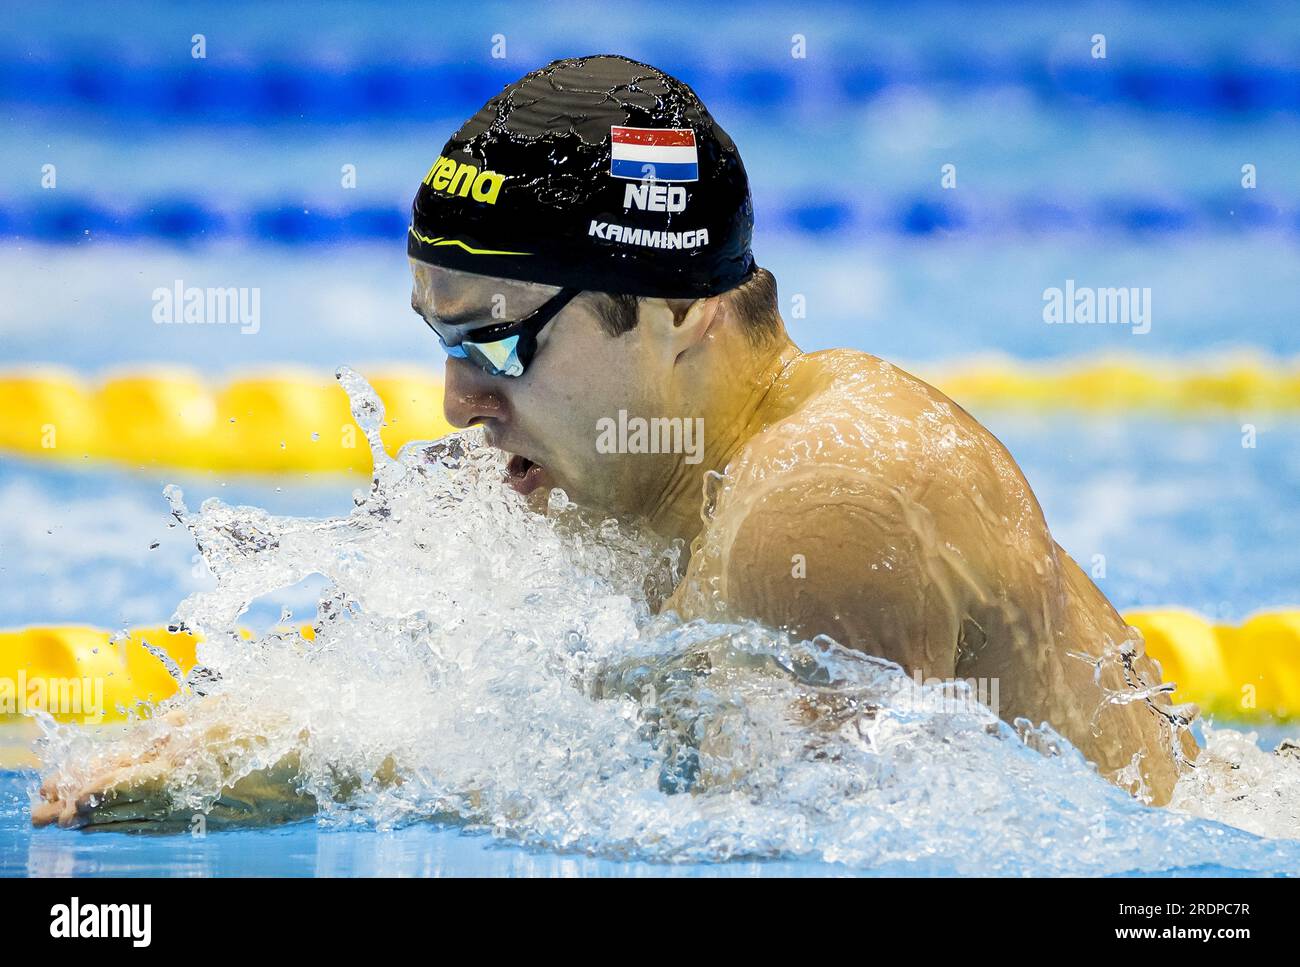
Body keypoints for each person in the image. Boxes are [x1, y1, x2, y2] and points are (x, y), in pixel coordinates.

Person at [33, 55, 1196, 830]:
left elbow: (781, 842)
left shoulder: (827, 504)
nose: (454, 403)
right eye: (439, 345)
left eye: (495, 347)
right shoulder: (621, 476)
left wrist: (355, 769)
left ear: (676, 309)